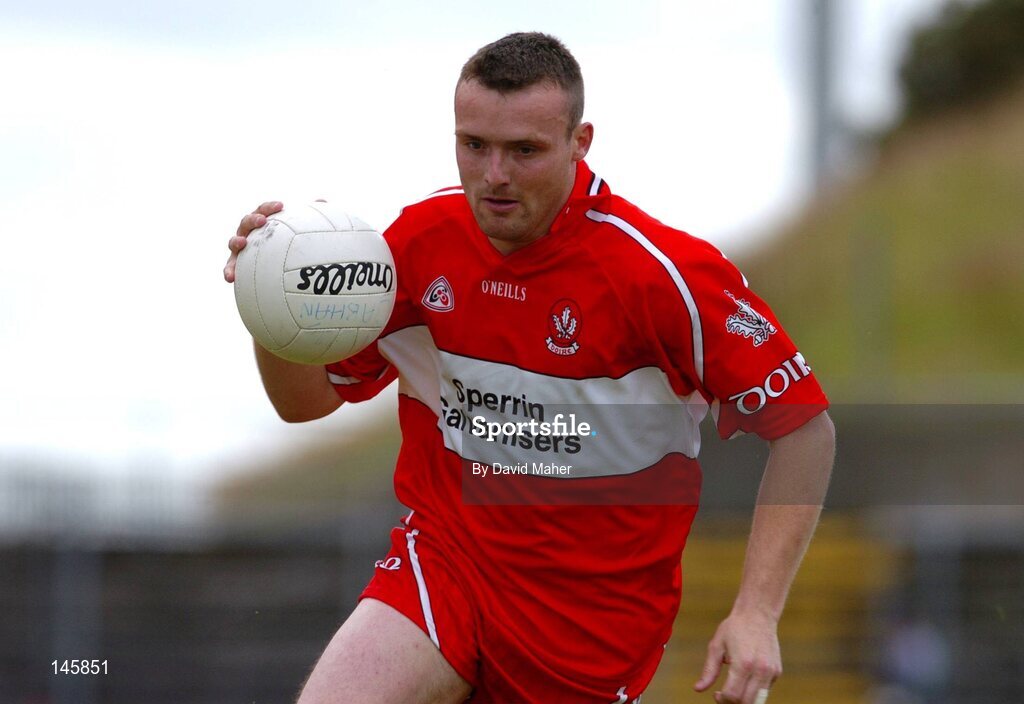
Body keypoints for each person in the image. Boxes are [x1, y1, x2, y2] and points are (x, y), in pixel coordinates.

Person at [223, 32, 834, 704]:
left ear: (581, 141)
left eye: (525, 151)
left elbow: (805, 430)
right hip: (446, 567)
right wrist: (273, 306)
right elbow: (304, 402)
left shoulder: (663, 277)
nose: (494, 176)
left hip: (587, 630)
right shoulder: (421, 241)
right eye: (473, 145)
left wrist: (757, 611)